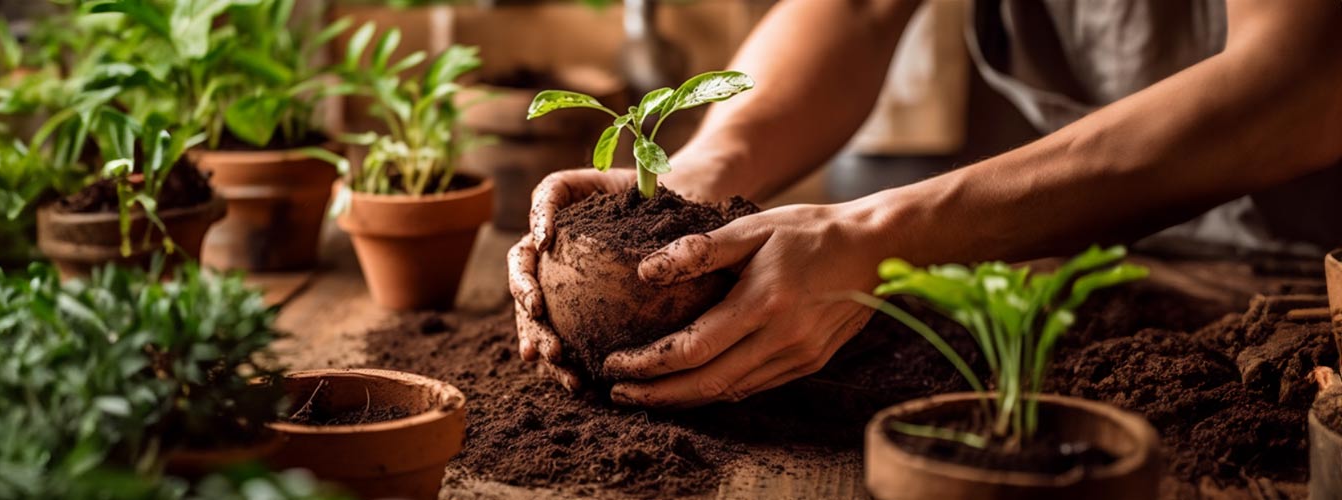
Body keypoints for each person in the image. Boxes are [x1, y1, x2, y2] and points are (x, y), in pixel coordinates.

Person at [507, 0, 1342, 408]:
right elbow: (856, 12)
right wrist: (700, 173)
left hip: (1318, 289)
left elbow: (1300, 83)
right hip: (1107, 262)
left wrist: (874, 232)